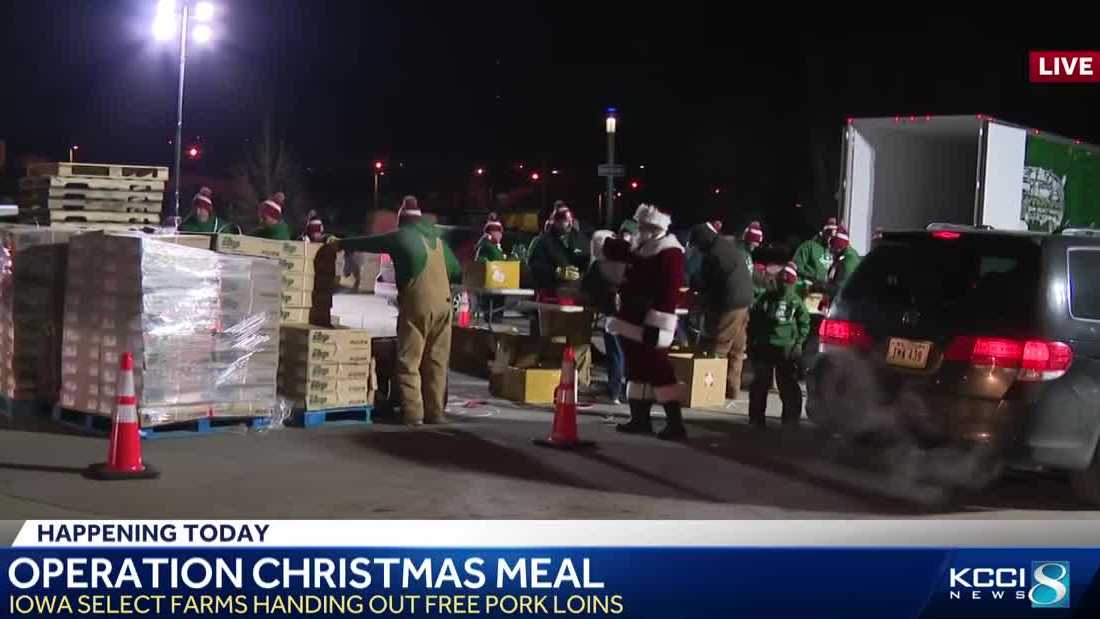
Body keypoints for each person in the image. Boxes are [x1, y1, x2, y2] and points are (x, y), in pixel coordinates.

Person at [337, 196, 461, 426]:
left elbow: (371, 243)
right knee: (436, 361)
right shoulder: (439, 240)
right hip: (444, 306)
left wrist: (341, 243)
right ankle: (436, 413)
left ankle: (414, 414)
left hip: (418, 304)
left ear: (402, 221)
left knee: (408, 361)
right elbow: (456, 271)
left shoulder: (401, 236)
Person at [604, 204, 686, 440]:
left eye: (642, 226)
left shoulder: (670, 253)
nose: (638, 229)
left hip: (651, 322)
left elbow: (669, 293)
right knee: (636, 369)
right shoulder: (643, 248)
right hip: (633, 319)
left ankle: (675, 423)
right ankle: (640, 418)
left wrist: (659, 324)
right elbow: (616, 252)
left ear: (654, 228)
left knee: (659, 370)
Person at [688, 221, 755, 402]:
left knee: (719, 345)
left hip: (730, 304)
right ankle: (732, 390)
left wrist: (695, 286)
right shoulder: (728, 246)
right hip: (745, 302)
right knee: (737, 349)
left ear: (702, 241)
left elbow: (707, 283)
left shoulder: (713, 254)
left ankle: (709, 391)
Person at [748, 262, 810, 428]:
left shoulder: (791, 300)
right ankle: (760, 419)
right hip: (770, 345)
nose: (784, 286)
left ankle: (786, 420)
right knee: (767, 383)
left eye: (786, 283)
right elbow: (754, 320)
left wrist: (798, 343)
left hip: (783, 347)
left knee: (782, 384)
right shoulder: (774, 298)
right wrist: (753, 341)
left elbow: (804, 323)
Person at [583, 230, 628, 404]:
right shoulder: (627, 263)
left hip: (613, 314)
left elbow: (587, 287)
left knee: (615, 353)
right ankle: (627, 392)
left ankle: (614, 392)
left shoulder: (599, 265)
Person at [525, 201, 590, 298]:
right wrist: (557, 272)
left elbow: (587, 259)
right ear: (555, 222)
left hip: (576, 290)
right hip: (551, 291)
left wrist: (581, 274)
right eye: (566, 221)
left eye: (571, 220)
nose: (570, 224)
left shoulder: (581, 239)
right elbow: (534, 266)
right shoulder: (542, 242)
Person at [792, 217, 837, 288]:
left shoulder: (835, 250)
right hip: (807, 287)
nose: (832, 237)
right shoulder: (808, 246)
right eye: (829, 232)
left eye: (834, 234)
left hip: (823, 288)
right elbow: (795, 267)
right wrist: (814, 277)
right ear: (822, 232)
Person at [825, 225, 862, 297]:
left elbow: (841, 288)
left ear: (838, 247)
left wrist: (823, 287)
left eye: (833, 247)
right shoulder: (843, 257)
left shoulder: (849, 260)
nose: (831, 251)